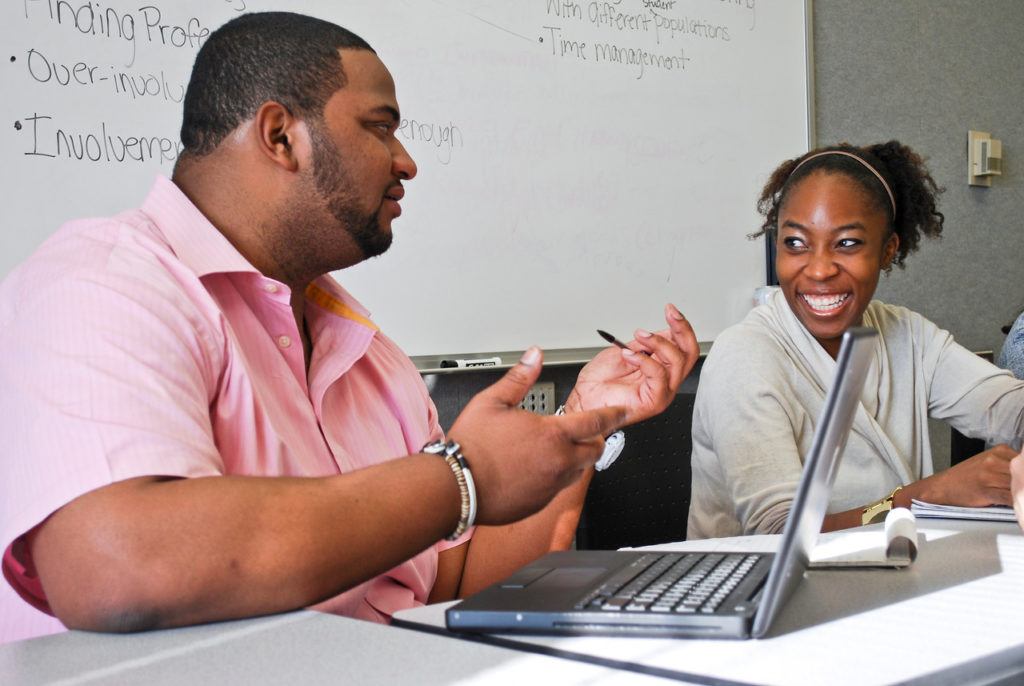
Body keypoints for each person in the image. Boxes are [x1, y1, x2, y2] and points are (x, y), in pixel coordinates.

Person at [0, 12, 700, 643]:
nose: (406, 162)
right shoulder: (102, 283)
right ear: (281, 136)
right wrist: (461, 478)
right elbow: (118, 567)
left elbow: (455, 588)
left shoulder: (370, 356)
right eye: (380, 126)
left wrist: (580, 421)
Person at [688, 141, 1024, 539]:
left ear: (888, 250)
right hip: (762, 594)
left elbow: (1011, 410)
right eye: (795, 242)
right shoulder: (745, 356)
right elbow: (778, 534)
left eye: (847, 243)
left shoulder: (908, 335)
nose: (818, 270)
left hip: (892, 578)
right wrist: (926, 496)